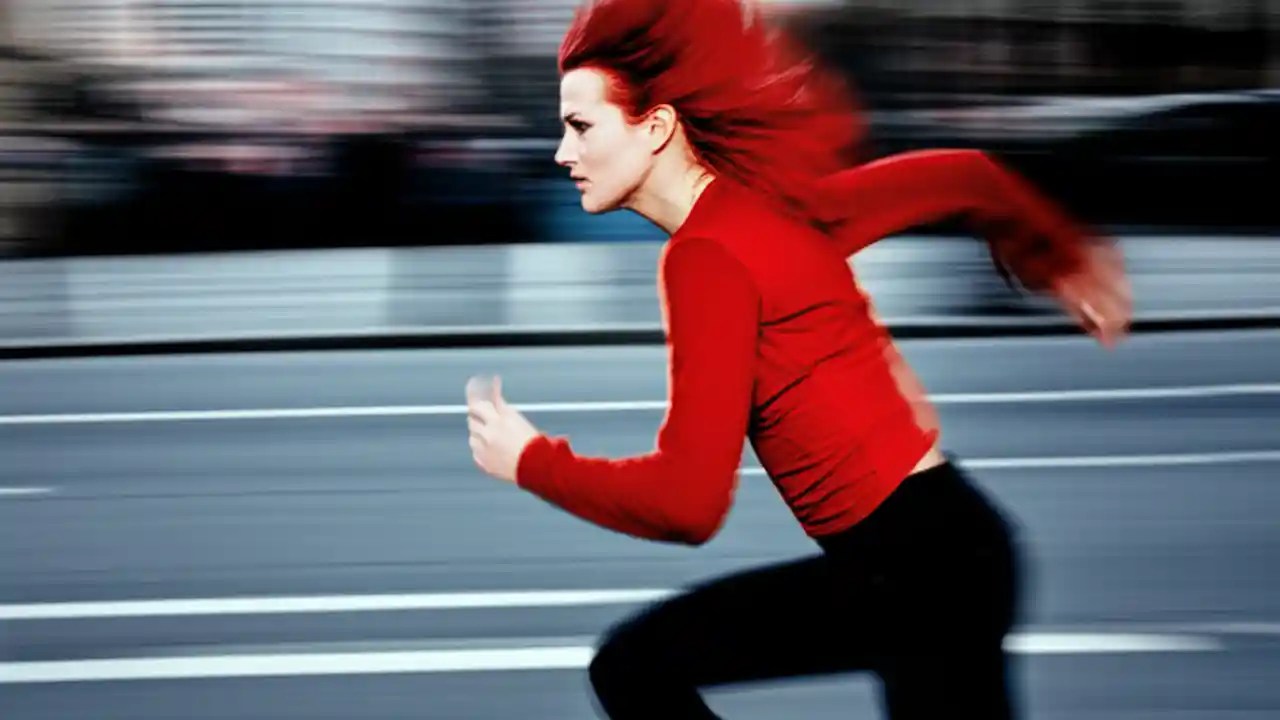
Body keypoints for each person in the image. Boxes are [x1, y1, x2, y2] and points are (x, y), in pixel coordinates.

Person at [465, 1, 1132, 718]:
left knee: (634, 666)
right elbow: (967, 176)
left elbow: (688, 502)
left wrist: (533, 461)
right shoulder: (774, 211)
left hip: (911, 574)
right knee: (638, 664)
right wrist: (1059, 257)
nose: (562, 153)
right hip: (952, 553)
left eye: (581, 127)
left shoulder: (706, 259)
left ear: (656, 126)